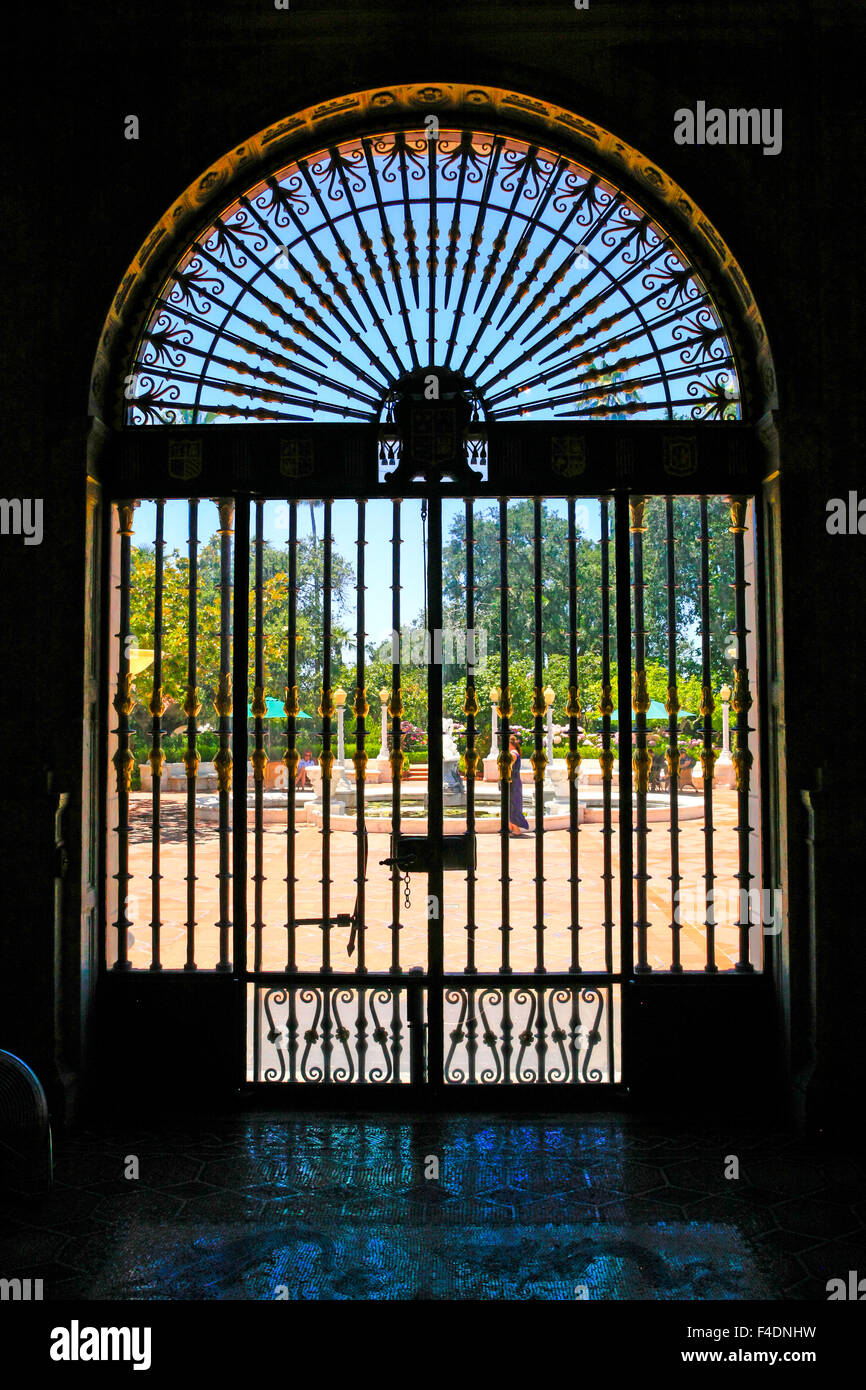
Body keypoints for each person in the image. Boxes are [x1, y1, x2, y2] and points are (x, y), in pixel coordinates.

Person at [508, 733, 531, 837]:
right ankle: (510, 828)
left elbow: (508, 768)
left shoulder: (513, 754)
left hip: (513, 782)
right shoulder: (515, 752)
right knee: (511, 804)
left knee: (513, 804)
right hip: (514, 781)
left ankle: (516, 829)